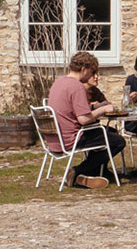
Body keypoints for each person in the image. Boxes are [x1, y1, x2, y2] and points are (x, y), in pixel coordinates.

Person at [44, 50, 123, 188]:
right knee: (118, 141)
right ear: (83, 69)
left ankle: (91, 173)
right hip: (71, 139)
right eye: (92, 72)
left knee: (106, 132)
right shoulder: (77, 86)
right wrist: (103, 109)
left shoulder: (59, 82)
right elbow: (84, 119)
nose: (93, 75)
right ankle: (78, 170)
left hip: (54, 139)